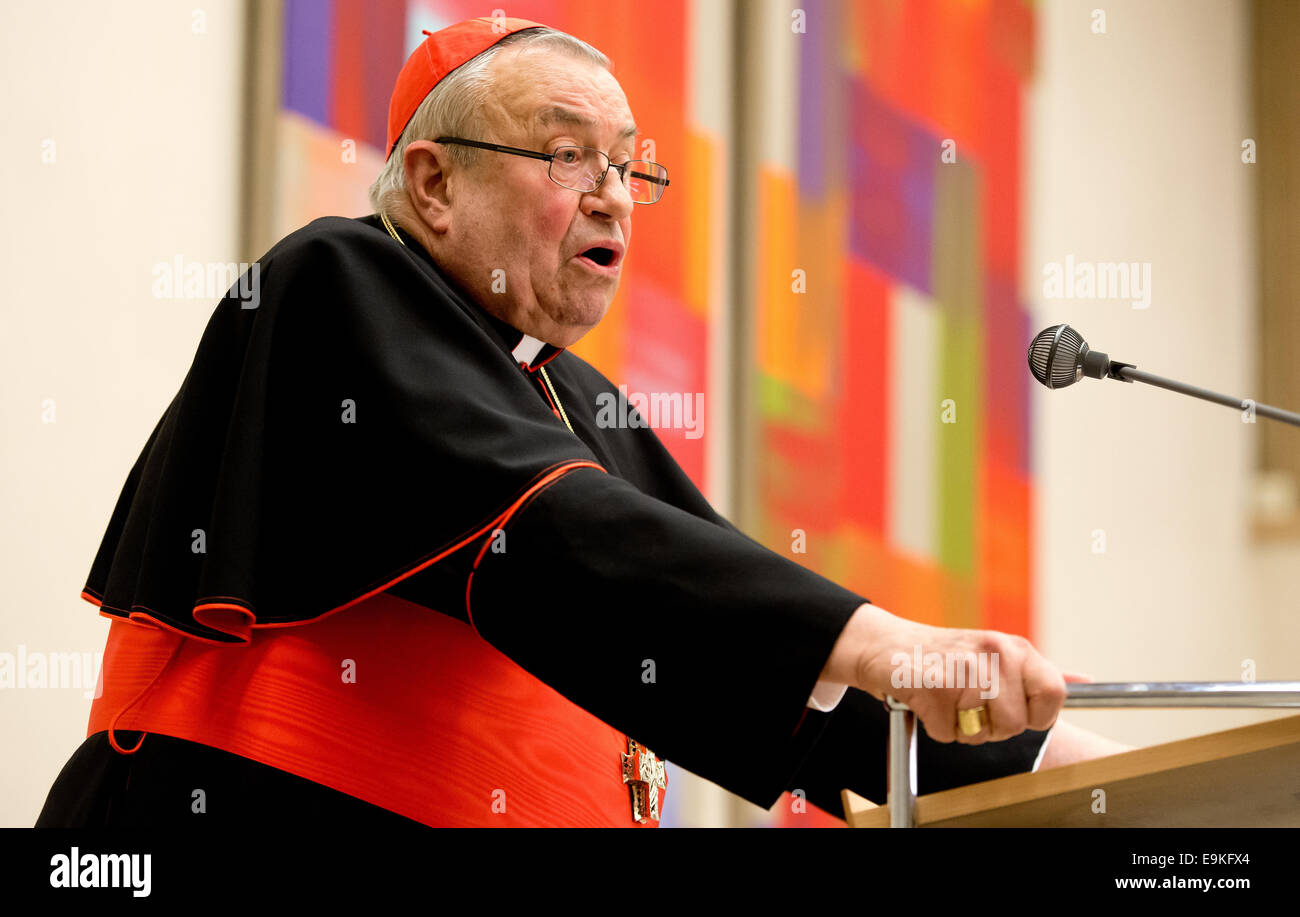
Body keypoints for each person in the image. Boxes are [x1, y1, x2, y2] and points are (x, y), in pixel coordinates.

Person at [37, 17, 1127, 829]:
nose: (611, 194)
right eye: (567, 156)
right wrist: (896, 644)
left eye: (628, 165)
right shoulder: (336, 278)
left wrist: (1075, 771)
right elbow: (565, 537)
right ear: (431, 185)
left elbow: (741, 635)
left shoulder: (575, 397)